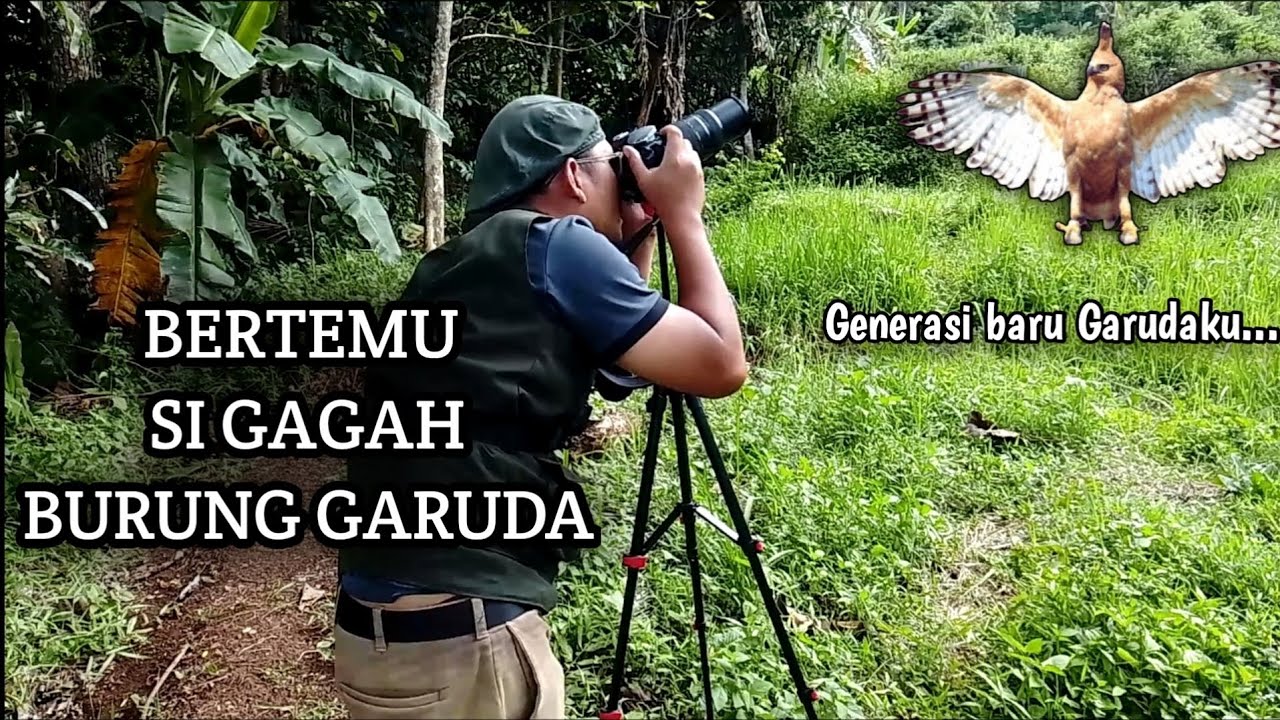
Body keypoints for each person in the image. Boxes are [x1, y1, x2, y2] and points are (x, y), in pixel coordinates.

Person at [331, 94, 748, 719]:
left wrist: (637, 230)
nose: (624, 177)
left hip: (388, 631)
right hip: (464, 638)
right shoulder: (557, 246)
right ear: (574, 176)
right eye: (612, 165)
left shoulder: (471, 259)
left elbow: (623, 363)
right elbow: (720, 365)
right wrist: (685, 217)